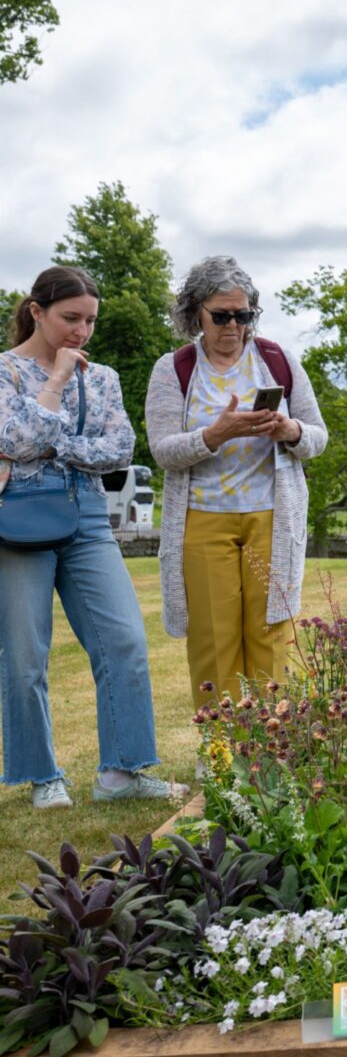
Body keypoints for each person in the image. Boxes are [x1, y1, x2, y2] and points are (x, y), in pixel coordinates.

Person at [0, 266, 187, 808]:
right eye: (70, 318)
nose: (81, 332)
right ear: (36, 311)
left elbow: (120, 450)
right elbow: (13, 436)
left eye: (90, 321)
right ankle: (42, 776)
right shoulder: (7, 373)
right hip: (17, 517)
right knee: (25, 654)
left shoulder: (102, 377)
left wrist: (50, 448)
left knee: (124, 638)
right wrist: (56, 380)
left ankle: (121, 774)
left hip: (85, 514)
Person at [145, 257, 326, 708]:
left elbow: (318, 436)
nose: (233, 325)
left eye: (243, 315)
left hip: (271, 516)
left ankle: (274, 748)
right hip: (203, 519)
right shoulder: (174, 369)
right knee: (213, 638)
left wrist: (291, 431)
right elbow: (163, 449)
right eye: (221, 315)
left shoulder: (277, 360)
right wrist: (214, 435)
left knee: (270, 634)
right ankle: (221, 753)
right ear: (195, 313)